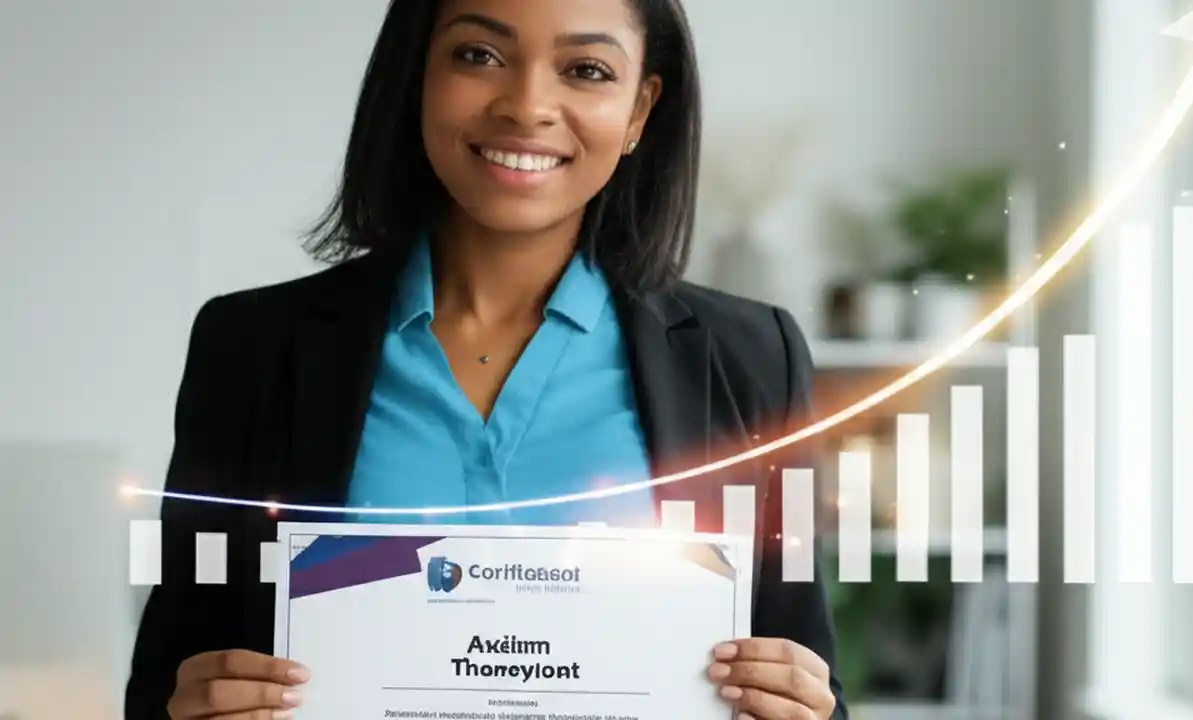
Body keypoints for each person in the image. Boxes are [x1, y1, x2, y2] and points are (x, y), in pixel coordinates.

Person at [125, 0, 848, 718]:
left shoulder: (752, 360)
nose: (528, 105)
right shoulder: (250, 347)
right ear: (417, 76)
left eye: (587, 69)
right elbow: (169, 672)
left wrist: (803, 708)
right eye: (479, 55)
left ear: (639, 111)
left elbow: (806, 676)